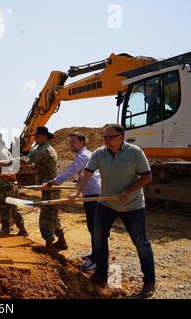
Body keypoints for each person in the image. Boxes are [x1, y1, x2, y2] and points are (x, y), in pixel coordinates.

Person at [69, 123, 156, 298]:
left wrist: (128, 191)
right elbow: (86, 174)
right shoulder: (99, 153)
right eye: (104, 137)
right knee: (98, 236)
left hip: (133, 205)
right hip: (106, 203)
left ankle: (149, 281)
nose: (106, 140)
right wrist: (77, 191)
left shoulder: (135, 152)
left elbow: (147, 177)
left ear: (121, 137)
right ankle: (101, 273)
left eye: (110, 137)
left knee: (140, 242)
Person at [41, 132, 101, 270]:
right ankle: (95, 255)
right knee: (93, 228)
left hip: (94, 194)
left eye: (74, 142)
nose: (71, 145)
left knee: (95, 229)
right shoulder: (85, 154)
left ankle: (97, 262)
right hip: (91, 192)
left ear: (82, 142)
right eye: (69, 142)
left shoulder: (83, 156)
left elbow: (70, 172)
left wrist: (51, 183)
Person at [27, 127, 65, 250]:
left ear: (44, 136)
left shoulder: (44, 150)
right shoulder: (44, 149)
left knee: (46, 215)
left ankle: (49, 245)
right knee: (52, 214)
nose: (35, 138)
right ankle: (61, 241)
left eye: (37, 136)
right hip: (49, 186)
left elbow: (27, 159)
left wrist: (7, 162)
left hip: (50, 186)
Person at [0, 131, 28, 236]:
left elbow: (6, 168)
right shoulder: (5, 150)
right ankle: (21, 229)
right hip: (10, 183)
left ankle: (6, 229)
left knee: (5, 208)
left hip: (5, 185)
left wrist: (0, 175)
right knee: (13, 208)